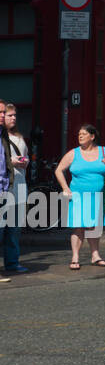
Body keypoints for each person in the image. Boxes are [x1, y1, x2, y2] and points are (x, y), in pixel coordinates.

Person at [55, 124, 105, 269]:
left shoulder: (104, 151)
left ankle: (95, 256)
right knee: (78, 227)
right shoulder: (73, 153)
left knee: (94, 227)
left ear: (92, 136)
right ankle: (75, 258)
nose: (80, 136)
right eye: (79, 134)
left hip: (97, 195)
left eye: (83, 134)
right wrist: (65, 188)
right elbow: (59, 170)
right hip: (77, 196)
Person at [2, 102, 30, 274]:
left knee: (14, 230)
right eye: (9, 115)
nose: (13, 118)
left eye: (14, 115)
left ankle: (12, 263)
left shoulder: (19, 138)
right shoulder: (2, 138)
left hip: (19, 188)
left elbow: (25, 159)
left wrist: (25, 163)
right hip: (4, 189)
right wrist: (9, 162)